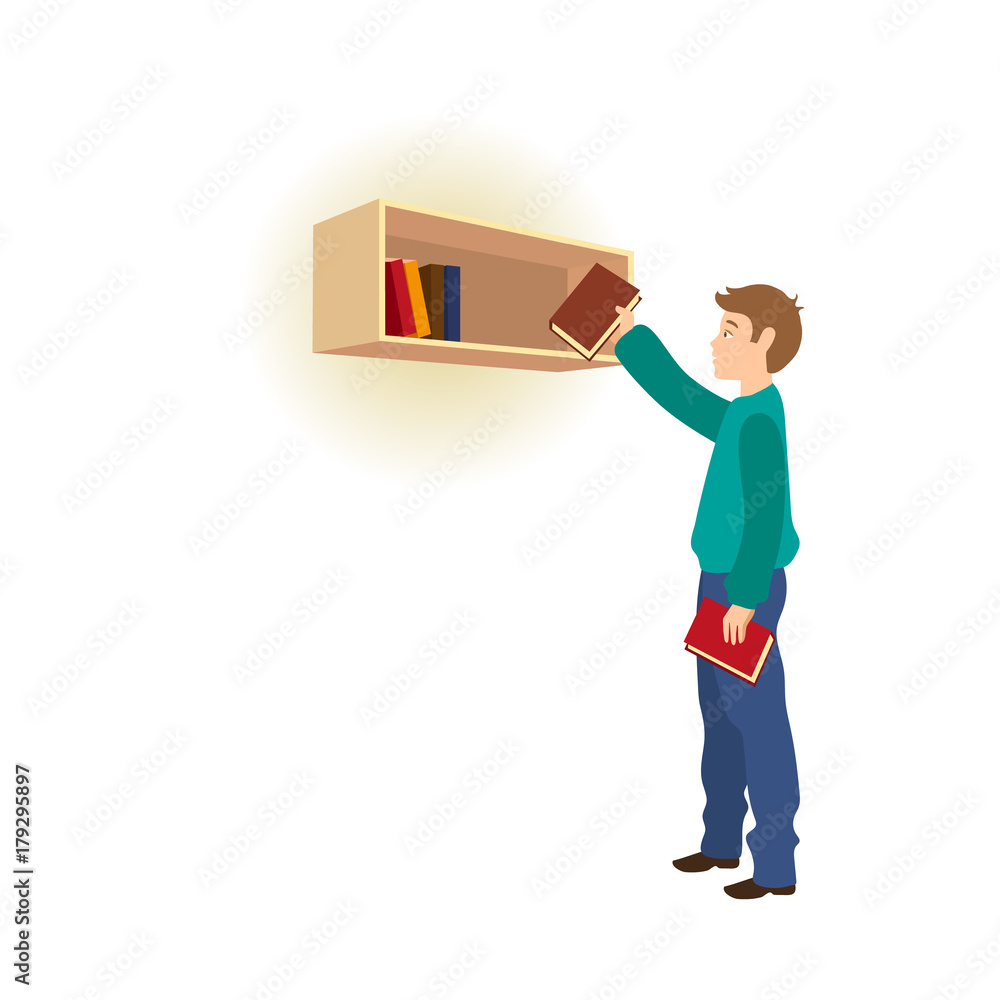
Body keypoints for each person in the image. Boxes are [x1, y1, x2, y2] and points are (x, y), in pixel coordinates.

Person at [611, 285, 802, 899]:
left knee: (758, 722)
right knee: (719, 720)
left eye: (728, 332)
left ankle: (774, 867)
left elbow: (766, 517)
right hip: (718, 585)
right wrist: (632, 339)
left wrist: (746, 598)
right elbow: (688, 400)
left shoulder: (760, 423)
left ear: (764, 342)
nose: (714, 343)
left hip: (744, 589)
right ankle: (720, 843)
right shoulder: (740, 416)